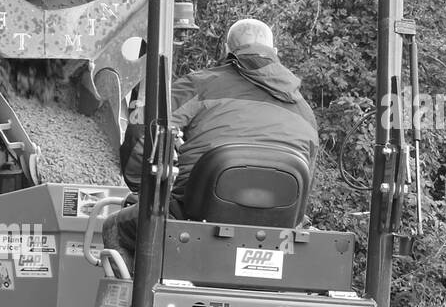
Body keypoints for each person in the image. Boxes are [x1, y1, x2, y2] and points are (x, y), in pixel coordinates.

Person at [107, 18, 319, 256]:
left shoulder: (199, 86)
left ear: (227, 50)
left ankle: (143, 290)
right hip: (277, 225)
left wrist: (140, 184)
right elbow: (306, 179)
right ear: (275, 53)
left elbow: (144, 135)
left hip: (193, 213)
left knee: (115, 227)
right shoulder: (305, 112)